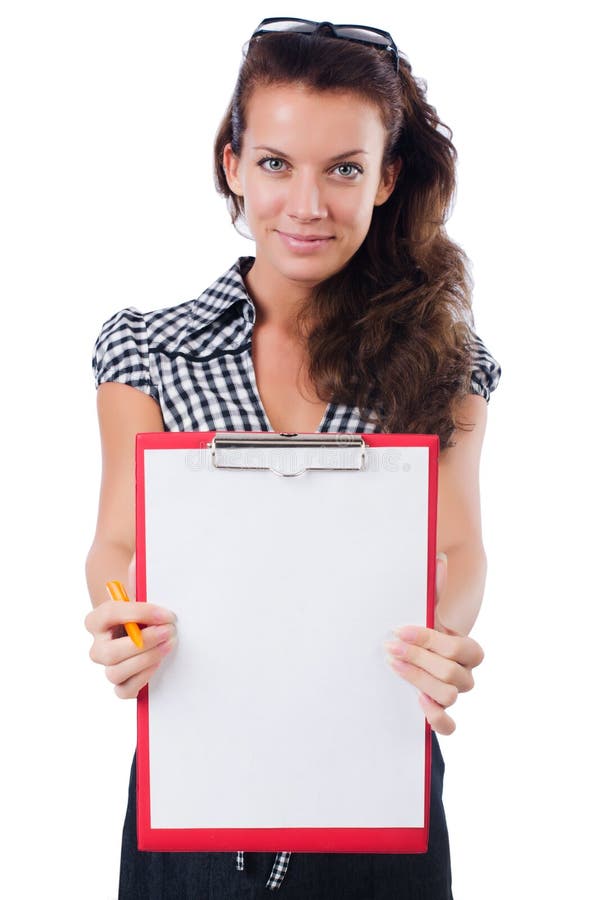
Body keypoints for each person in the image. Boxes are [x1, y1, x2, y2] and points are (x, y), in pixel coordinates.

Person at [84, 17, 501, 900]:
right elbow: (116, 543)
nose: (307, 205)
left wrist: (442, 636)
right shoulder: (150, 350)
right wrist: (121, 626)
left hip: (374, 781)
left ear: (387, 177)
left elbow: (458, 545)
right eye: (276, 163)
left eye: (343, 168)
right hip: (195, 789)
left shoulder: (444, 357)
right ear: (233, 165)